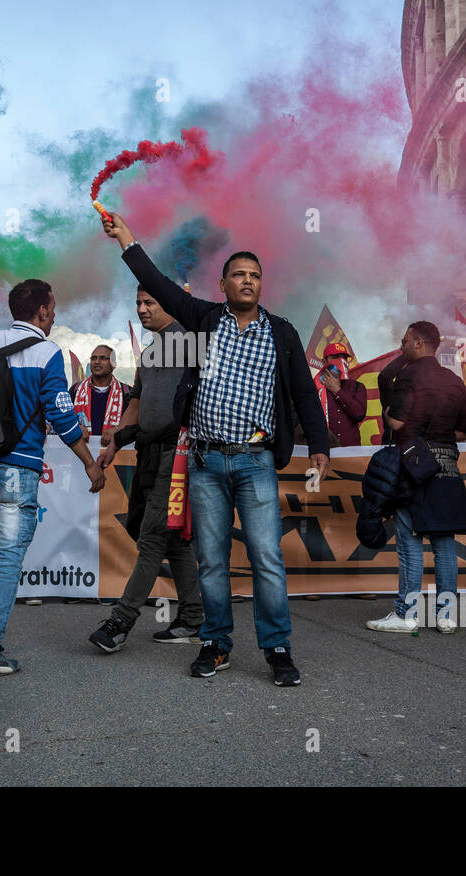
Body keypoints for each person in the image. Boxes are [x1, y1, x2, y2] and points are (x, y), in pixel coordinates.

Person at [101, 211, 330, 688]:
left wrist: (320, 446)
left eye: (255, 276)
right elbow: (158, 284)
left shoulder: (281, 333)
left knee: (267, 557)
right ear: (222, 284)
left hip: (255, 461)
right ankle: (215, 642)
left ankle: (278, 649)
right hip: (204, 463)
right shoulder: (204, 319)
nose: (248, 281)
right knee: (212, 560)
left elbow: (306, 394)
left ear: (261, 285)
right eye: (239, 275)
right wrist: (126, 238)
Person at [0, 279, 106, 678]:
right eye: (52, 308)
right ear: (42, 312)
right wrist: (89, 462)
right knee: (7, 559)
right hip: (19, 466)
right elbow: (61, 415)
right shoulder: (47, 352)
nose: (54, 315)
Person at [88, 287, 204, 653]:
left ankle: (120, 622)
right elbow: (137, 401)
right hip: (150, 453)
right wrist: (116, 441)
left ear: (168, 303)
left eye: (150, 302)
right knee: (175, 539)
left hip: (179, 454)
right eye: (138, 302)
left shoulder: (192, 343)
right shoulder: (152, 351)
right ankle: (192, 618)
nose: (141, 309)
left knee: (154, 537)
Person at [366, 321, 466, 635]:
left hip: (413, 465)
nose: (401, 346)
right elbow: (463, 431)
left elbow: (398, 423)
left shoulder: (409, 376)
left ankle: (407, 613)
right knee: (444, 542)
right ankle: (447, 616)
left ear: (415, 342)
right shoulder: (454, 380)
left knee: (410, 541)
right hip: (447, 466)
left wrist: (389, 414)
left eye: (403, 341)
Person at [316, 342, 368, 447]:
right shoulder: (315, 387)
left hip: (350, 452)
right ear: (324, 361)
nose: (340, 361)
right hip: (323, 451)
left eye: (344, 358)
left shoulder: (357, 386)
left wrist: (337, 390)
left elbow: (359, 415)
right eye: (335, 357)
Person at [70, 344, 127, 437]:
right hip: (82, 449)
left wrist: (119, 430)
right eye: (93, 358)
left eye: (103, 358)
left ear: (114, 364)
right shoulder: (75, 390)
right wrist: (75, 427)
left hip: (116, 450)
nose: (97, 362)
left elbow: (135, 424)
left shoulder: (126, 392)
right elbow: (63, 419)